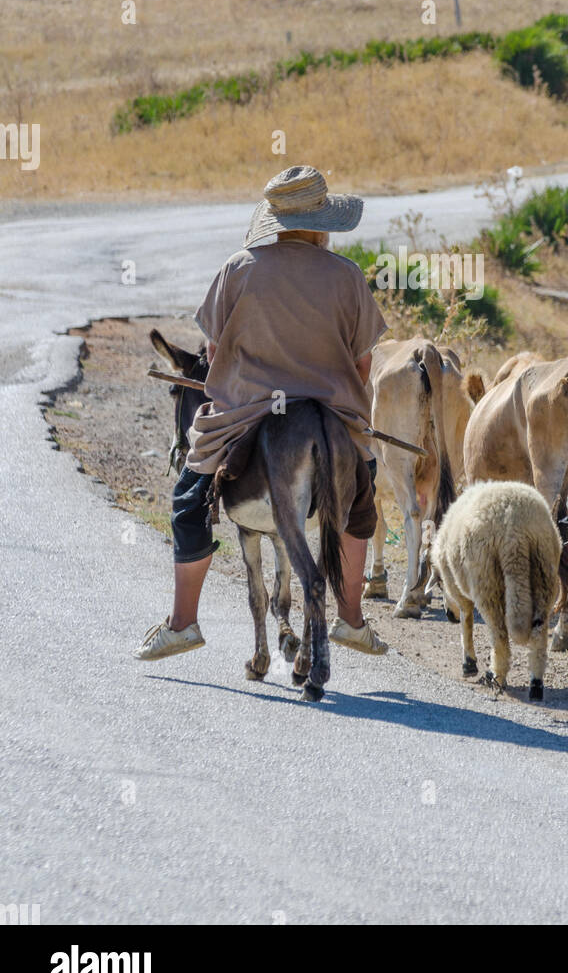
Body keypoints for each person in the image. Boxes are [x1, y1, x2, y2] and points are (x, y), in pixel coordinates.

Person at [134, 165, 389, 661]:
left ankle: (183, 624)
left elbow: (213, 347)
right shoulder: (347, 276)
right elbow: (363, 364)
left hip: (243, 415)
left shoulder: (238, 267)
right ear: (321, 225)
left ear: (274, 220)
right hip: (330, 416)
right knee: (361, 501)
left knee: (189, 500)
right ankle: (351, 620)